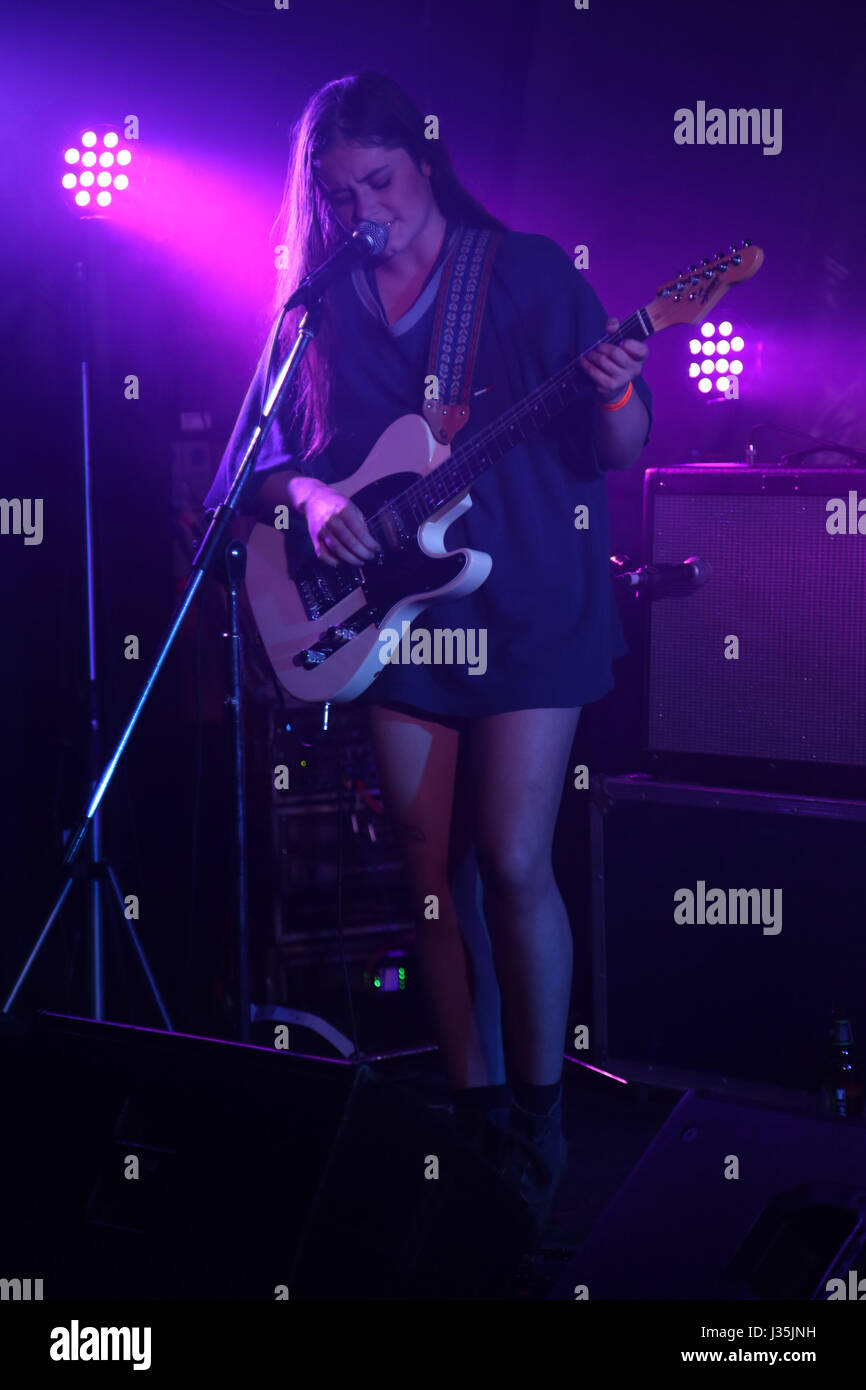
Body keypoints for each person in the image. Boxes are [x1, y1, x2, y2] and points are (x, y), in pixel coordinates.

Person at [204, 71, 651, 1233]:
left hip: (528, 602)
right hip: (399, 607)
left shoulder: (529, 271)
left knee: (509, 859)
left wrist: (612, 394)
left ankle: (542, 1118)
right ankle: (474, 1120)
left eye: (382, 181)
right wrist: (309, 501)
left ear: (424, 162)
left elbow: (622, 445)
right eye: (341, 191)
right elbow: (288, 458)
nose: (366, 210)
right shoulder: (328, 301)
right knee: (428, 877)